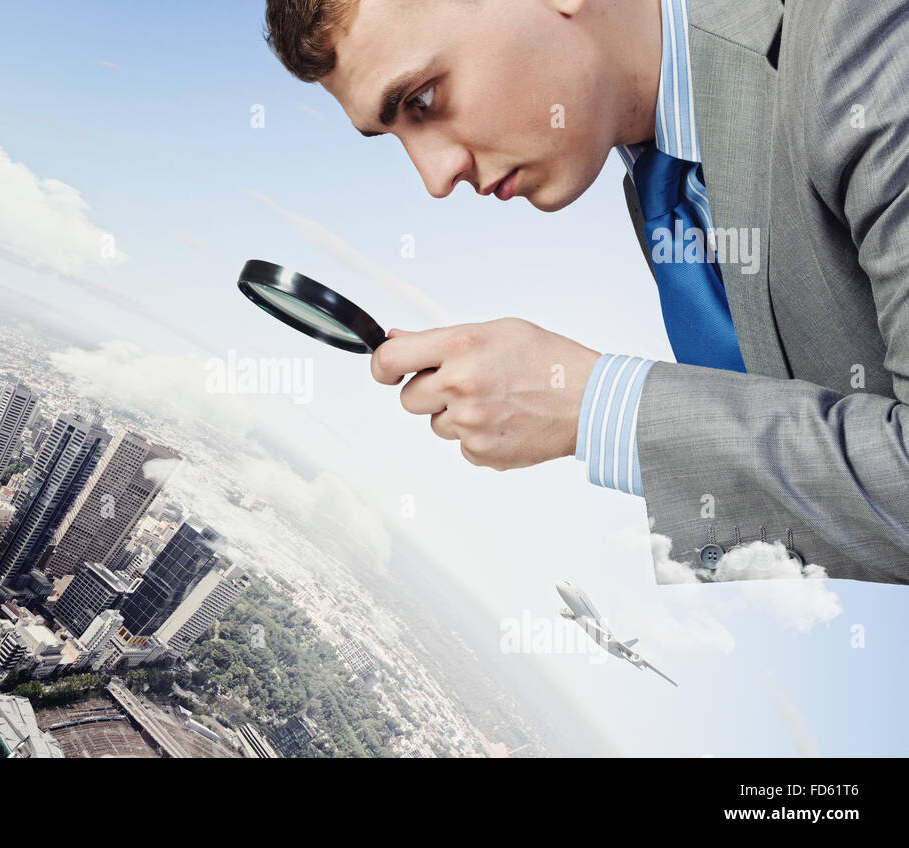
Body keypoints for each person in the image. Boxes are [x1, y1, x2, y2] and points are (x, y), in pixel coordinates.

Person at [262, 0, 909, 582]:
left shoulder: (861, 42)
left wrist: (596, 409)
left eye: (424, 102)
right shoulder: (663, 184)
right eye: (395, 136)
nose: (435, 177)